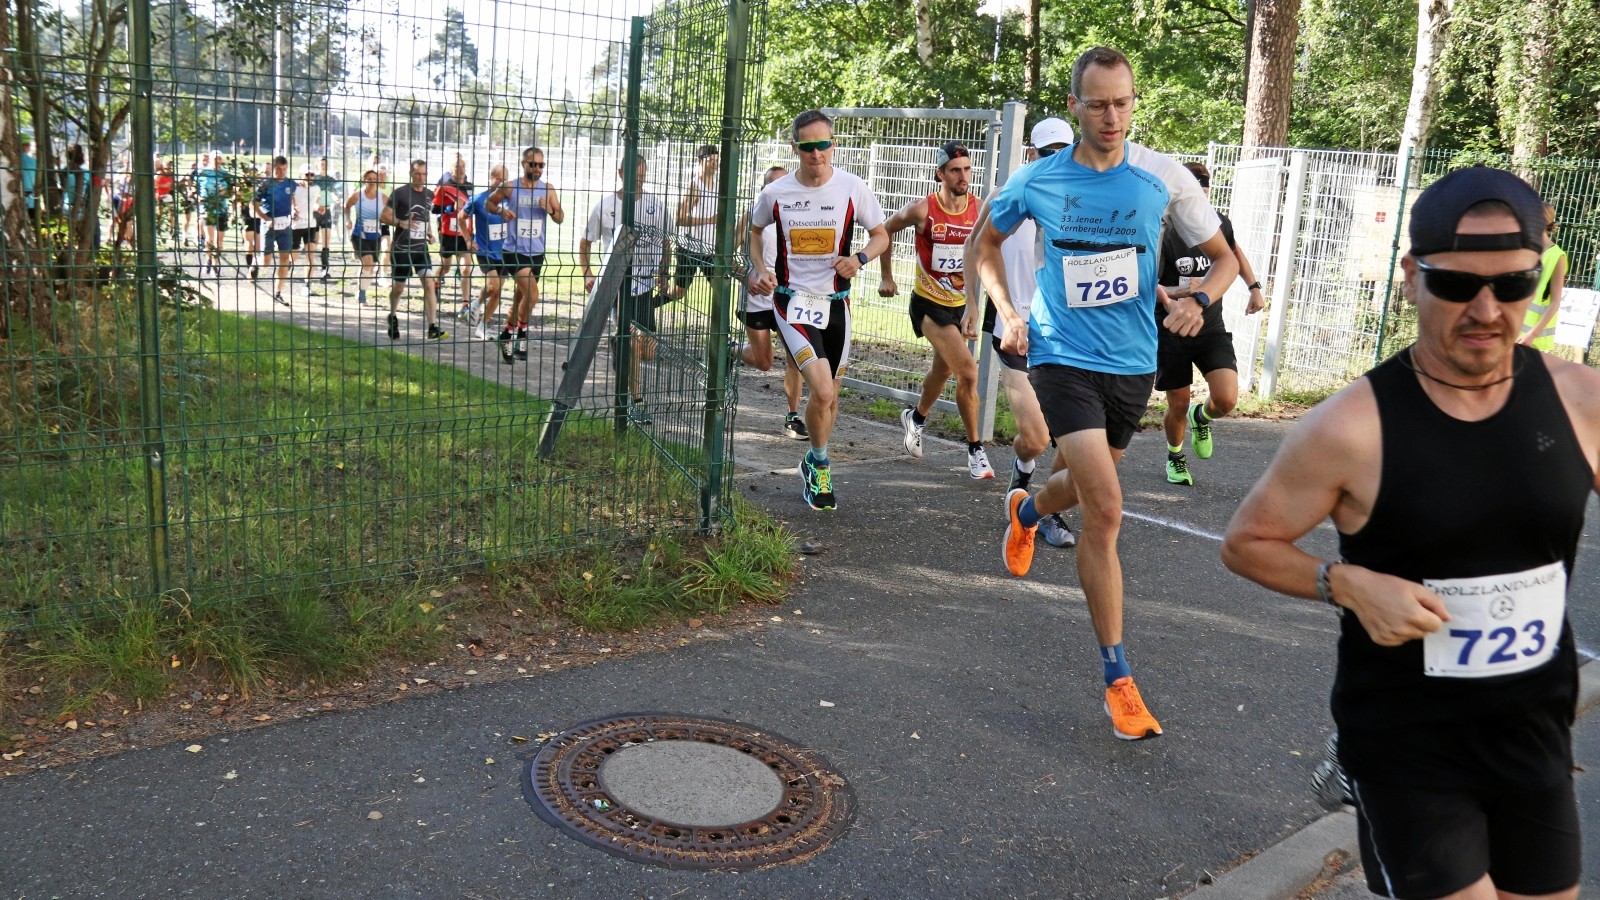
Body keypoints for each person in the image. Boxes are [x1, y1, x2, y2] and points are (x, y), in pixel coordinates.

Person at [1221, 165, 1599, 899]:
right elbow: (1247, 542)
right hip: (1407, 746)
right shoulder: (1350, 427)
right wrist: (1345, 582)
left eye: (1514, 286)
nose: (1487, 310)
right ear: (1411, 278)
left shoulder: (1582, 403)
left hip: (1535, 735)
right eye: (1457, 286)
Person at [976, 47, 1237, 740]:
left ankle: (1028, 510)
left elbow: (1225, 259)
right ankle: (1118, 677)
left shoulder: (1160, 181)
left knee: (1086, 488)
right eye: (1097, 103)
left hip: (1132, 366)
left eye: (1122, 102)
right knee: (1109, 510)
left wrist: (1200, 304)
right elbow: (984, 245)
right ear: (1075, 106)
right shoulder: (1037, 180)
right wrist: (1008, 311)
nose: (1111, 115)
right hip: (1061, 358)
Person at [749, 109, 891, 511]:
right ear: (795, 148)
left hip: (835, 304)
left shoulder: (852, 187)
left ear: (834, 144)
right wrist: (760, 269)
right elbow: (755, 231)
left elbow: (880, 234)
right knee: (822, 388)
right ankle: (821, 465)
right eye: (808, 147)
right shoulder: (775, 193)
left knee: (831, 399)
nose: (816, 154)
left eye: (823, 145)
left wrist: (859, 259)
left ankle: (812, 459)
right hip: (792, 302)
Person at [964, 117, 1077, 548]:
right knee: (1035, 436)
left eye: (1063, 152)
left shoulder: (1081, 200)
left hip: (1066, 330)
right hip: (1014, 326)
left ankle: (1050, 512)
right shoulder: (1008, 193)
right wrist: (974, 304)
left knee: (1073, 431)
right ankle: (1023, 473)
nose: (1055, 161)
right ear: (1031, 154)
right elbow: (975, 244)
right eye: (1047, 153)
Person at [879, 140, 994, 479]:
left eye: (968, 169)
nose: (964, 176)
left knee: (943, 372)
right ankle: (975, 451)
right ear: (940, 174)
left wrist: (973, 305)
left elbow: (980, 256)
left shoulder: (979, 210)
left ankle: (915, 418)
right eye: (956, 170)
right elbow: (885, 230)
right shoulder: (922, 210)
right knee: (968, 373)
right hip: (928, 303)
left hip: (960, 304)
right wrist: (887, 276)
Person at [1155, 160, 1267, 486]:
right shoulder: (1161, 228)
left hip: (1210, 326)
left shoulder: (1218, 224)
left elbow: (1233, 252)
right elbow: (1143, 281)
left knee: (1228, 399)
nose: (1200, 202)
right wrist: (1179, 292)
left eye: (1205, 193)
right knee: (1177, 402)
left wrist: (1254, 287)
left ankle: (1201, 416)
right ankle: (1175, 456)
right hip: (1171, 327)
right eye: (1194, 194)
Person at [580, 157, 673, 423]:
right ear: (621, 172)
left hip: (644, 283)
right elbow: (585, 243)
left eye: (642, 176)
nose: (638, 181)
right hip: (617, 284)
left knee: (648, 349)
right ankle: (635, 402)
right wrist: (588, 274)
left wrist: (663, 273)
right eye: (634, 175)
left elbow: (667, 241)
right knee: (632, 342)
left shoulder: (656, 206)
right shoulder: (606, 206)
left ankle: (618, 342)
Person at [736, 165, 807, 440]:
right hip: (757, 299)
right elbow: (728, 259)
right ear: (764, 189)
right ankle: (732, 350)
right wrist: (748, 277)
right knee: (765, 362)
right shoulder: (751, 218)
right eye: (772, 185)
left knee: (795, 358)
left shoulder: (801, 216)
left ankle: (792, 417)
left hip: (790, 299)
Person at [488, 146, 564, 363]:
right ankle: (514, 333)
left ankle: (510, 333)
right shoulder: (510, 188)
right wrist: (502, 211)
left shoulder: (547, 190)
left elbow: (560, 217)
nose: (538, 168)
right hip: (513, 251)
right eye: (533, 164)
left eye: (541, 165)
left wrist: (549, 210)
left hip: (536, 252)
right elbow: (490, 203)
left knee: (522, 299)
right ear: (524, 164)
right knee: (532, 295)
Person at [379, 158, 446, 341]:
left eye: (424, 174)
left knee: (429, 283)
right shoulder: (400, 193)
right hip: (401, 248)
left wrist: (430, 234)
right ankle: (392, 315)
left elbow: (424, 218)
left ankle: (432, 326)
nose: (421, 177)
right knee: (399, 288)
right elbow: (384, 215)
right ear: (411, 173)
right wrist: (400, 222)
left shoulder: (430, 194)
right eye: (417, 173)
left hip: (420, 249)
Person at [462, 163, 511, 342]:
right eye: (498, 178)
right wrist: (468, 239)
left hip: (505, 251)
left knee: (495, 291)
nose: (500, 182)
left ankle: (481, 322)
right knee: (495, 287)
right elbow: (461, 217)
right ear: (491, 178)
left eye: (504, 179)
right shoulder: (478, 199)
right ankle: (476, 310)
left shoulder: (509, 200)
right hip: (484, 249)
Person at [672, 144, 720, 300]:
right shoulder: (695, 186)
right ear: (700, 161)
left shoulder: (718, 186)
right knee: (678, 293)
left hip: (709, 248)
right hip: (689, 247)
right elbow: (679, 219)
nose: (715, 164)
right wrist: (709, 220)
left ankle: (719, 325)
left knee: (720, 291)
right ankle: (642, 313)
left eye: (717, 160)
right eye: (711, 160)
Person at [1519, 203, 1568, 352]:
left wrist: (1531, 335)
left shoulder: (1556, 256)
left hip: (1530, 342)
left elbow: (1555, 302)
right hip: (1509, 332)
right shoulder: (1521, 250)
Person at [434, 154, 474, 319]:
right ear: (451, 170)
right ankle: (435, 283)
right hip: (448, 233)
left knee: (466, 268)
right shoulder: (444, 186)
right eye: (457, 167)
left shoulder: (470, 187)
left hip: (465, 232)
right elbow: (435, 209)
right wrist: (450, 208)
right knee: (446, 266)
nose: (461, 170)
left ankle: (465, 303)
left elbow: (473, 207)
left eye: (463, 166)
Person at [253, 156, 297, 306]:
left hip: (285, 225)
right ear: (273, 168)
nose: (281, 172)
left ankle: (278, 292)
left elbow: (292, 199)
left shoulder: (291, 183)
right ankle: (256, 264)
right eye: (278, 169)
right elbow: (254, 204)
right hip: (269, 225)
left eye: (284, 169)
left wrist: (294, 211)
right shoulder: (265, 184)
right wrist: (266, 219)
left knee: (285, 259)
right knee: (266, 261)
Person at [343, 168, 386, 306]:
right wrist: (348, 219)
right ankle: (362, 294)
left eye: (375, 179)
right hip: (359, 235)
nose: (373, 182)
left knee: (371, 266)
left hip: (375, 236)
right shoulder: (357, 195)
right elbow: (347, 206)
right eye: (370, 179)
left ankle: (361, 290)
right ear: (364, 180)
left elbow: (393, 208)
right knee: (368, 263)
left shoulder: (382, 197)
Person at [196, 152, 232, 275]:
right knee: (209, 238)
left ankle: (216, 263)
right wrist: (197, 197)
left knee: (219, 240)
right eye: (215, 159)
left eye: (220, 159)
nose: (218, 161)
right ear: (210, 160)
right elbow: (195, 189)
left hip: (221, 209)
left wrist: (224, 192)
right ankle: (208, 260)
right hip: (207, 209)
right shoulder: (202, 173)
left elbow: (230, 193)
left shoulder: (225, 175)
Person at [312, 158, 339, 281]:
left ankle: (324, 269)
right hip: (315, 212)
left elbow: (335, 192)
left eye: (325, 164)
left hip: (326, 211)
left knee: (326, 241)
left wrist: (337, 198)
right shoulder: (314, 179)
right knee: (314, 241)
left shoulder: (331, 180)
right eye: (321, 164)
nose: (323, 166)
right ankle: (310, 266)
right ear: (317, 165)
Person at [293, 166, 319, 286]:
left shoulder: (316, 188)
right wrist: (293, 209)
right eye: (307, 174)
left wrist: (318, 207)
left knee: (310, 254)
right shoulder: (294, 187)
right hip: (296, 225)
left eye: (312, 175)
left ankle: (307, 284)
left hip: (310, 225)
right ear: (301, 175)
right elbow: (289, 201)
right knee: (293, 257)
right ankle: (285, 270)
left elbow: (316, 202)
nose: (310, 177)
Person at [20, 139, 37, 225]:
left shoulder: (13, 158)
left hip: (18, 187)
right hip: (30, 187)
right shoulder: (33, 161)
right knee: (30, 206)